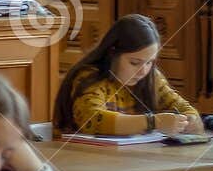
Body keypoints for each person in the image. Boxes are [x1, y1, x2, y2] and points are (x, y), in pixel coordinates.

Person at [52, 13, 203, 136]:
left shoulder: (152, 77)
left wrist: (190, 120)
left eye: (149, 62)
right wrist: (153, 122)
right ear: (112, 53)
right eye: (134, 63)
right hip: (82, 161)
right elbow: (92, 120)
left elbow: (184, 108)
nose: (143, 71)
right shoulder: (89, 77)